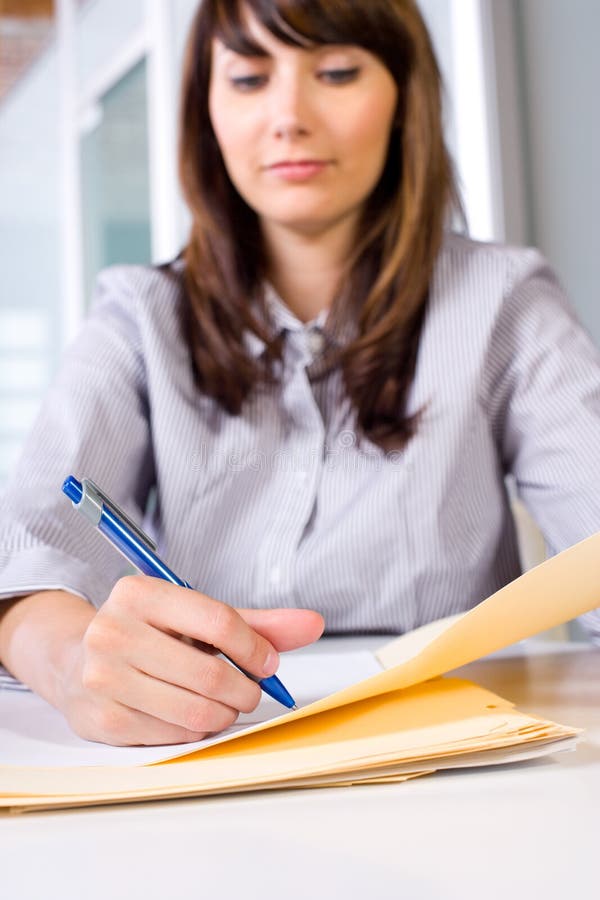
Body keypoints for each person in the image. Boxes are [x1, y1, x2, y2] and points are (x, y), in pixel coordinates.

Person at [0, 0, 598, 747]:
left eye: (337, 73)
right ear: (206, 113)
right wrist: (68, 662)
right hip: (211, 747)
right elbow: (28, 545)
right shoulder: (138, 315)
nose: (289, 118)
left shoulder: (504, 300)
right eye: (249, 79)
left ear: (404, 99)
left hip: (450, 750)